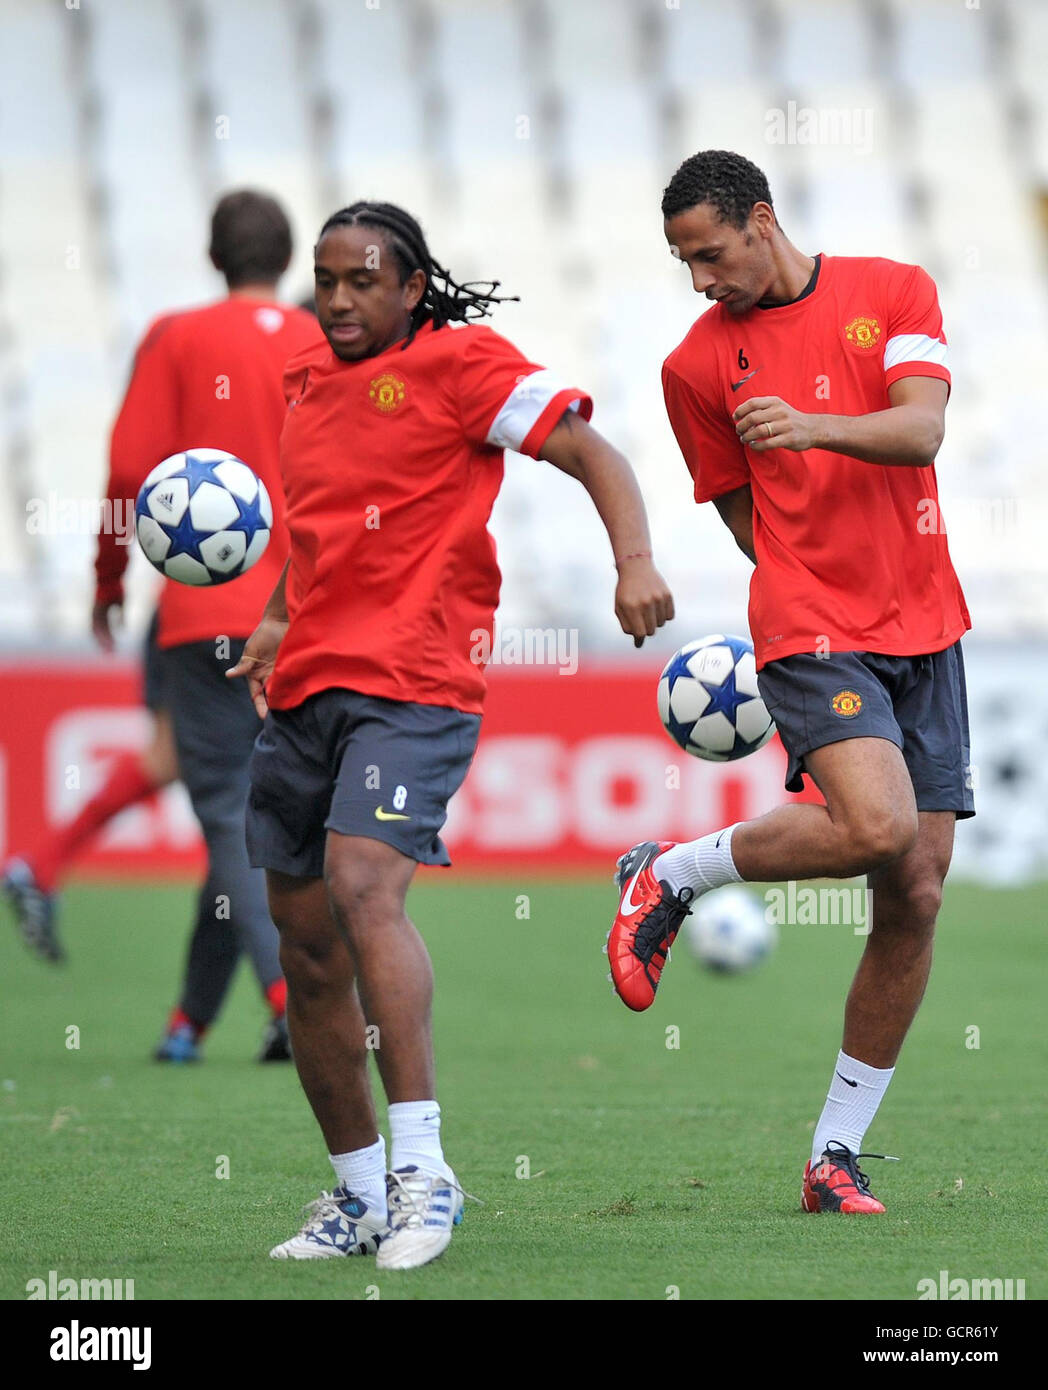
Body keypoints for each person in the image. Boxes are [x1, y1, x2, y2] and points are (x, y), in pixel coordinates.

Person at [227, 200, 673, 1269]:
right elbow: (320, 524)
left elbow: (590, 449)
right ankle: (357, 1191)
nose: (337, 298)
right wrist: (281, 617)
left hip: (417, 681)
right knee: (302, 938)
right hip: (305, 690)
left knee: (363, 883)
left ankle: (427, 1170)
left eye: (362, 279)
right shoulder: (301, 381)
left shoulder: (462, 364)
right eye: (326, 280)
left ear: (411, 285)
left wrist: (634, 561)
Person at [607, 150, 972, 1216]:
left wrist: (811, 426)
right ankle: (672, 874)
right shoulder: (692, 368)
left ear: (759, 220)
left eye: (708, 254)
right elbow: (744, 524)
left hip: (927, 622)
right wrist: (815, 590)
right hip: (812, 624)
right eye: (681, 262)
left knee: (914, 888)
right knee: (875, 830)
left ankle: (832, 1156)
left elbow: (922, 429)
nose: (698, 280)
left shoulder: (892, 289)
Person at [6, 191, 323, 1065]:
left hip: (205, 614)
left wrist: (109, 577)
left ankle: (240, 1010)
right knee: (253, 812)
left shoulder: (176, 337)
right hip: (307, 606)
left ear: (213, 255)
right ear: (292, 256)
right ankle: (257, 1009)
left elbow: (125, 471)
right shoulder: (319, 339)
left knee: (230, 809)